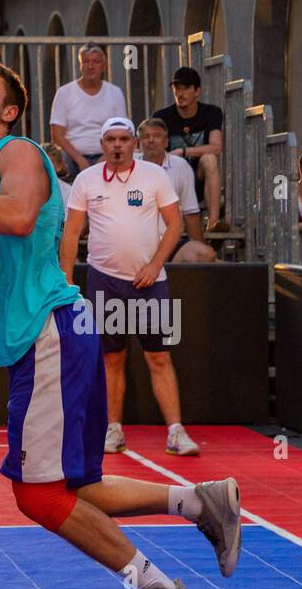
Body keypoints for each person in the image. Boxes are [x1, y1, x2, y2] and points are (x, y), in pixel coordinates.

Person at [0, 58, 241, 589]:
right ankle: (201, 503)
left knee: (37, 496)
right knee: (78, 485)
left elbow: (22, 217)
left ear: (10, 110)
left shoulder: (17, 153)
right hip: (52, 336)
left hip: (50, 330)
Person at [60, 118, 201, 458]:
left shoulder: (155, 176)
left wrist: (155, 266)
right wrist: (66, 281)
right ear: (102, 142)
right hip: (104, 280)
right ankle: (113, 430)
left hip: (149, 282)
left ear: (135, 142)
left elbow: (175, 225)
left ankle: (175, 431)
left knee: (159, 356)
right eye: (111, 139)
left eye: (124, 139)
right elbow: (71, 232)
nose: (118, 145)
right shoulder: (86, 179)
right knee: (111, 358)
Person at [154, 66, 225, 230]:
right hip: (171, 179)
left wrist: (183, 151)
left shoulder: (211, 112)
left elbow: (216, 148)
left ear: (197, 91)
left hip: (198, 178)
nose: (180, 93)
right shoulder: (161, 117)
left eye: (186, 88)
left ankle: (213, 223)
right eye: (177, 89)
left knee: (209, 159)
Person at [137, 118, 216, 263]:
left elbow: (190, 213)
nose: (151, 140)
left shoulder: (181, 166)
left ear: (166, 142)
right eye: (146, 137)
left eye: (157, 135)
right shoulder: (129, 167)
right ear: (139, 143)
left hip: (172, 242)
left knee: (205, 255)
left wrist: (201, 250)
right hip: (136, 244)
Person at [49, 43, 127, 180]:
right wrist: (80, 160)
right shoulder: (64, 92)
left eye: (96, 62)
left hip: (108, 153)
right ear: (80, 65)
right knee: (58, 164)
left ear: (103, 66)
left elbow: (121, 130)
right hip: (72, 156)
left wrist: (105, 157)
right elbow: (57, 134)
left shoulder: (115, 92)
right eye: (86, 61)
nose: (90, 66)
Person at [43, 143, 72, 208]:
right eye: (41, 162)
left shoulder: (68, 191)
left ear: (59, 167)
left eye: (50, 163)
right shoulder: (26, 189)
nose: (45, 166)